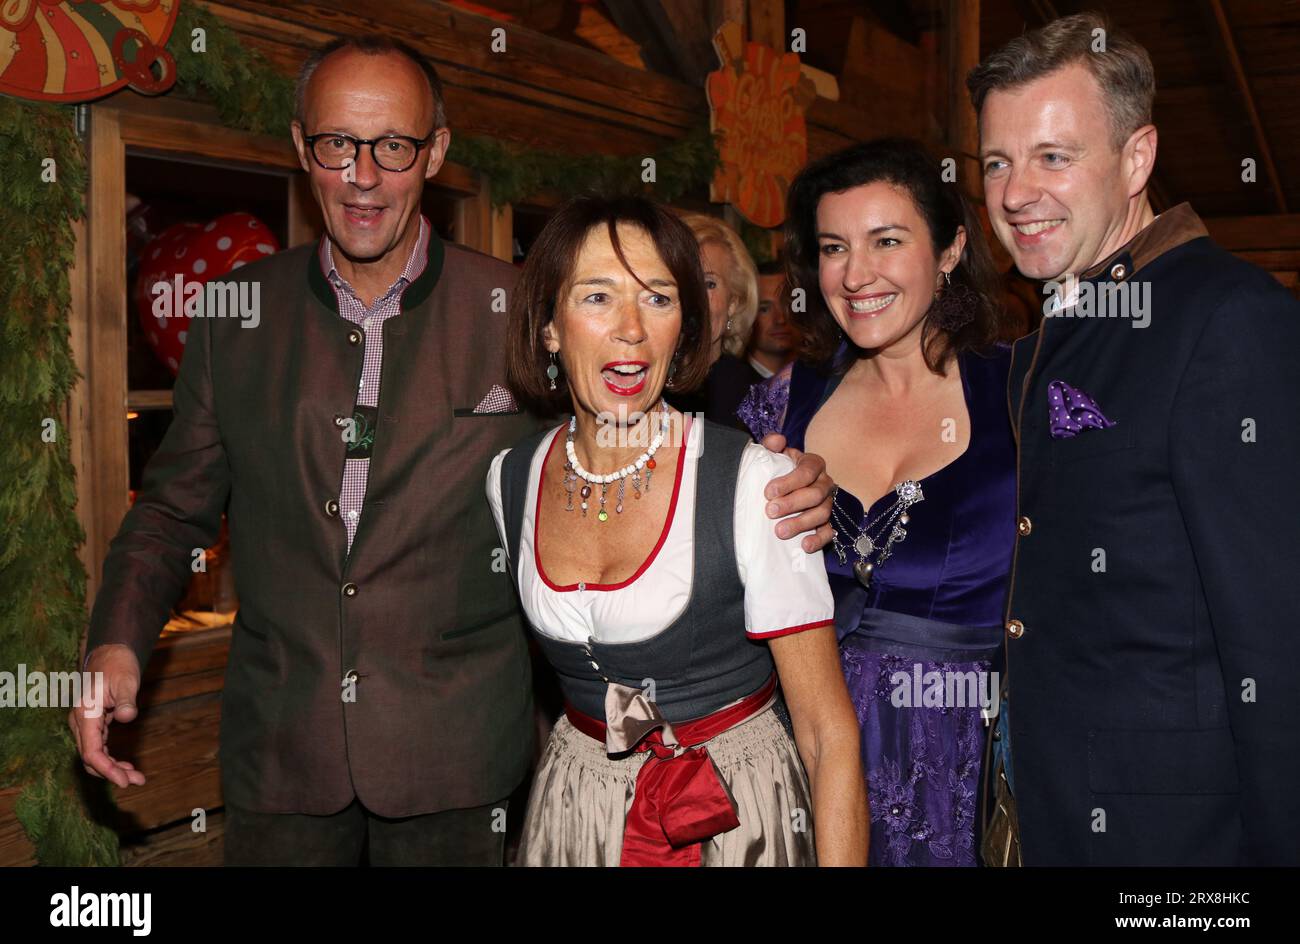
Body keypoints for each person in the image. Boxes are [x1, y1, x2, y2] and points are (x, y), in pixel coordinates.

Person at [69, 34, 835, 867]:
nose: (365, 175)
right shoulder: (238, 314)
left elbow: (620, 437)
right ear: (301, 146)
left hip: (458, 763)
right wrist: (117, 641)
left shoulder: (516, 308)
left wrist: (765, 480)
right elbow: (175, 508)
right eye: (338, 144)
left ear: (434, 151)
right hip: (282, 755)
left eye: (394, 145)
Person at [969, 12, 1300, 865]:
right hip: (1046, 814)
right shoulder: (1064, 322)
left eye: (1053, 157)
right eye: (998, 162)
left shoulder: (1228, 318)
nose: (1014, 192)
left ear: (1137, 159)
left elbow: (1276, 641)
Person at [486, 195, 868, 866]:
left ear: (687, 328)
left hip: (733, 815)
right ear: (549, 325)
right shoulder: (510, 477)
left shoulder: (757, 484)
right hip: (576, 812)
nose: (631, 329)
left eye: (658, 300)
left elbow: (826, 732)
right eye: (598, 297)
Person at [738, 138, 1015, 866]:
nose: (856, 275)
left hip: (970, 764)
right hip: (804, 756)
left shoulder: (1024, 397)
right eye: (834, 247)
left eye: (886, 241)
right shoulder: (776, 408)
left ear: (950, 249)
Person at [677, 212, 763, 430]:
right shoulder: (634, 385)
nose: (693, 296)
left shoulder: (756, 400)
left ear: (732, 303)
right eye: (682, 280)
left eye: (709, 284)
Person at [746, 263, 800, 378]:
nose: (780, 319)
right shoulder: (732, 387)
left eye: (787, 305)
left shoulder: (819, 381)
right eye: (764, 309)